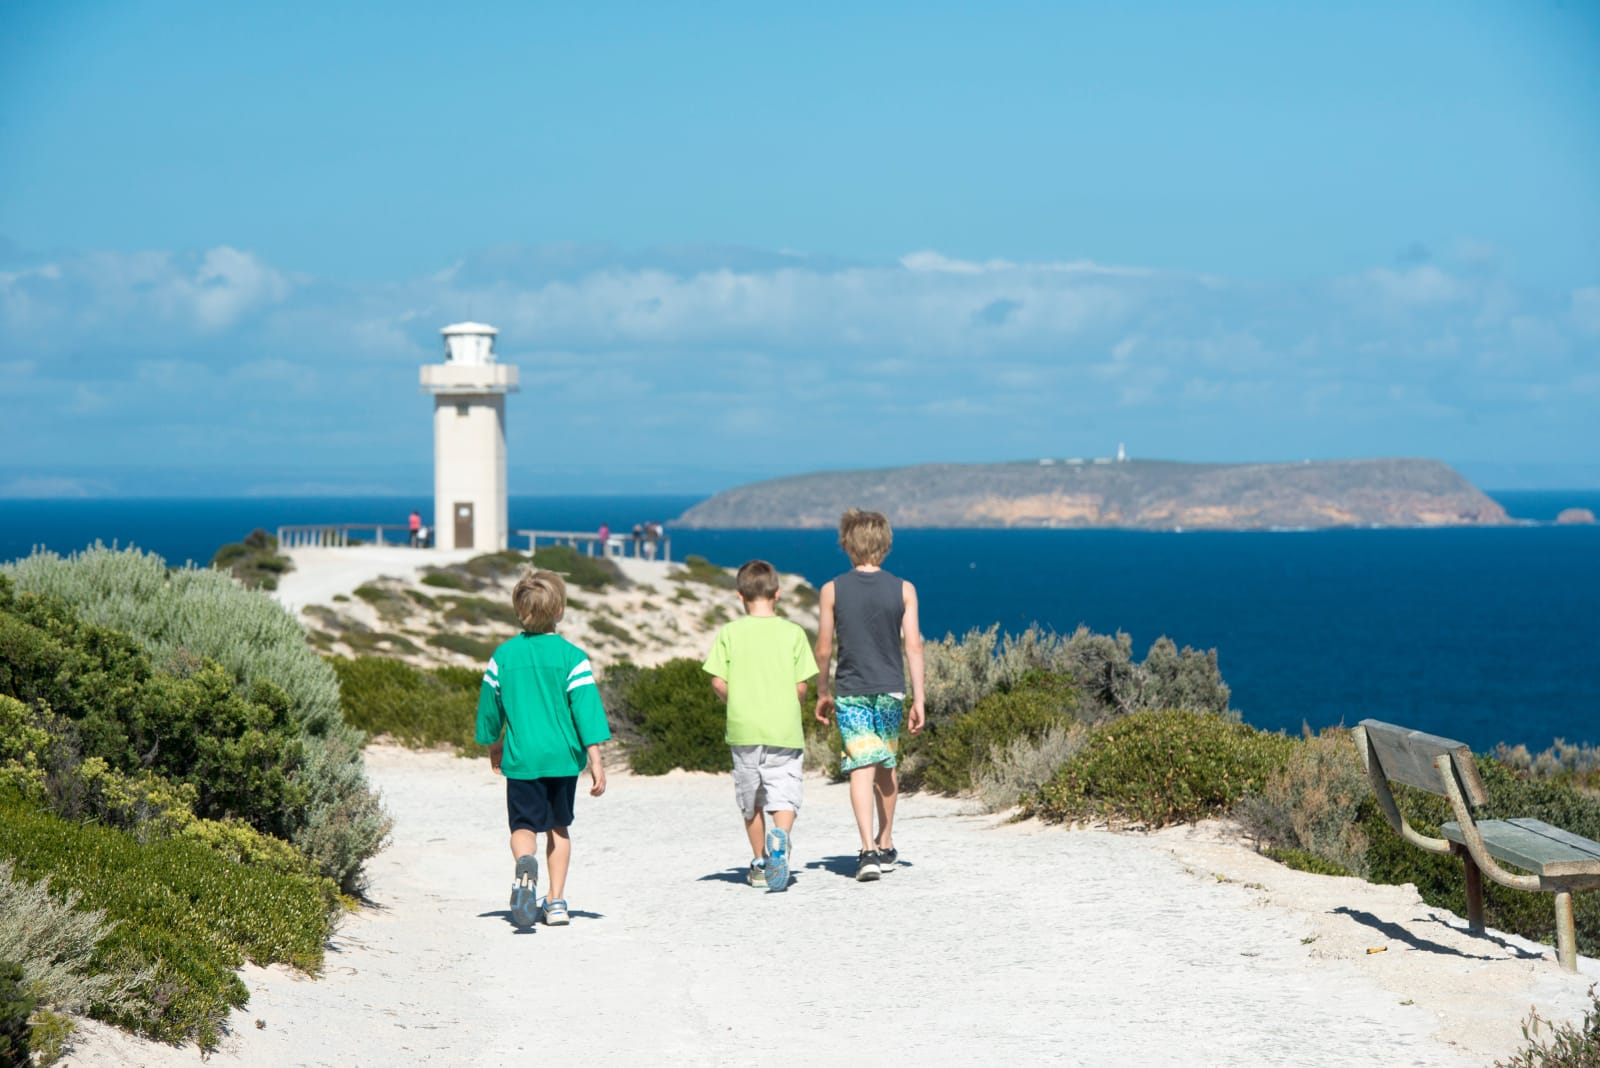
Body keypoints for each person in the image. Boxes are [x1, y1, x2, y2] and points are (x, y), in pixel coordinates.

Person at [476, 569, 611, 928]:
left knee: (523, 826)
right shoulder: (572, 657)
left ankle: (525, 864)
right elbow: (586, 711)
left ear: (519, 611)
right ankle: (556, 902)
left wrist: (494, 746)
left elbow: (490, 708)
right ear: (560, 610)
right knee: (559, 828)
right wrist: (595, 760)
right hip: (564, 759)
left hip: (522, 759)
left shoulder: (503, 657)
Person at [813, 509, 926, 882]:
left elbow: (825, 648)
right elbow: (913, 646)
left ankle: (867, 851)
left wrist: (822, 691)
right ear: (886, 545)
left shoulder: (832, 589)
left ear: (846, 545)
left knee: (861, 767)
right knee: (886, 765)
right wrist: (919, 698)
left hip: (852, 690)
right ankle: (886, 840)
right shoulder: (904, 588)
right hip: (891, 689)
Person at [703, 560, 818, 892]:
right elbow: (801, 687)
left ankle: (759, 861)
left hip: (744, 729)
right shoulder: (794, 633)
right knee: (785, 792)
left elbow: (717, 681)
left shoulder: (730, 633)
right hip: (784, 728)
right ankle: (780, 838)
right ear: (777, 594)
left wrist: (735, 701)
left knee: (750, 798)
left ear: (740, 596)